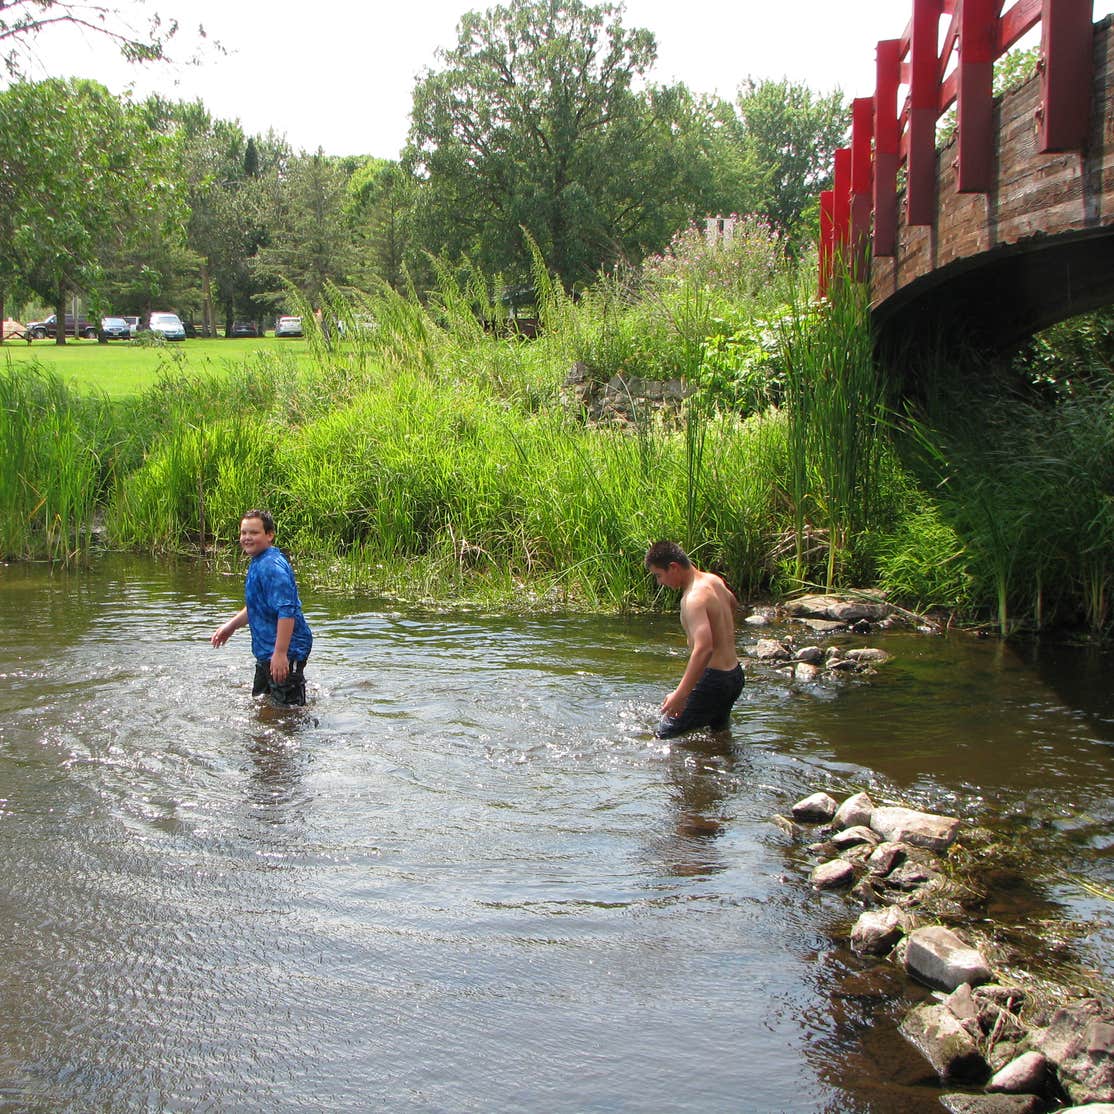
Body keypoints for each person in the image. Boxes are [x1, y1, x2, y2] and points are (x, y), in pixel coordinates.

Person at [211, 509, 313, 706]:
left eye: (254, 533)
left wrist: (281, 654)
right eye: (243, 533)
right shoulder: (259, 561)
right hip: (268, 649)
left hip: (286, 649)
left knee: (289, 713)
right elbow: (257, 606)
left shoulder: (272, 567)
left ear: (269, 535)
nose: (247, 538)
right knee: (261, 702)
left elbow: (287, 611)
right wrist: (231, 626)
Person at [645, 540, 743, 738]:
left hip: (713, 680)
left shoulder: (693, 599)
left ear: (673, 567)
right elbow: (732, 604)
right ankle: (722, 766)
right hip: (734, 676)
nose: (660, 583)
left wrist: (679, 695)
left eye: (659, 575)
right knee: (718, 735)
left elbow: (704, 648)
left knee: (663, 738)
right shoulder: (713, 580)